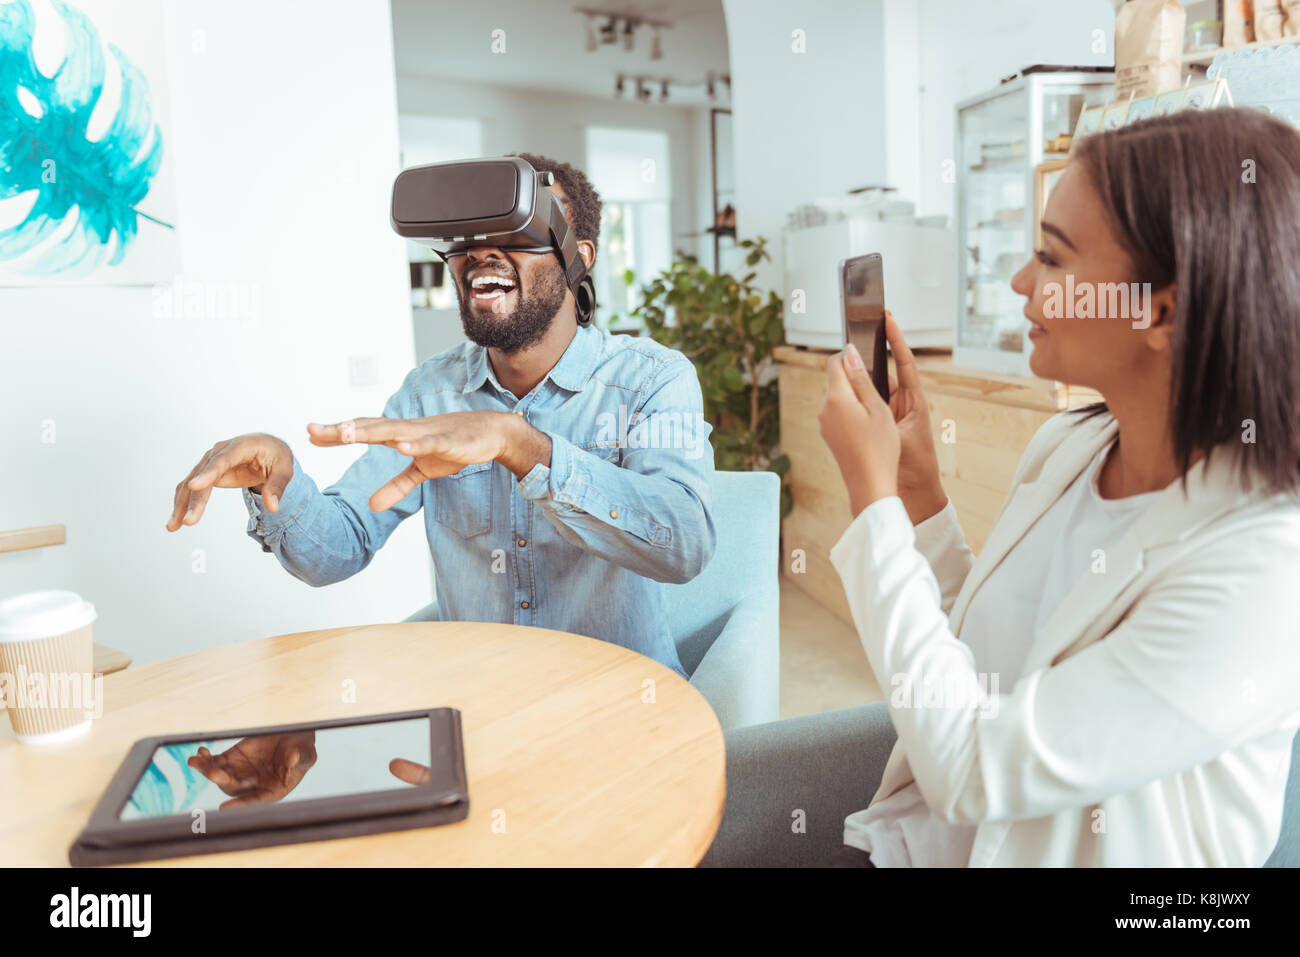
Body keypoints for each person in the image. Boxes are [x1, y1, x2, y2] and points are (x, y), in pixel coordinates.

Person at [817, 107, 1300, 866]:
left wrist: (872, 501)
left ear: (1162, 310)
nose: (1019, 280)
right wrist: (915, 493)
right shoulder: (1070, 444)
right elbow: (986, 660)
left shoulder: (1261, 569)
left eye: (1052, 258)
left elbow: (974, 770)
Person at [166, 152, 715, 677]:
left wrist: (521, 447)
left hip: (622, 708)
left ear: (580, 257)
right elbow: (338, 548)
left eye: (515, 230)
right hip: (485, 713)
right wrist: (279, 482)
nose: (481, 252)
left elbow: (684, 545)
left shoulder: (651, 380)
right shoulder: (431, 393)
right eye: (467, 237)